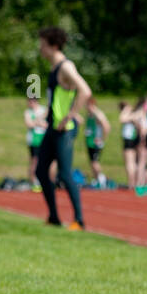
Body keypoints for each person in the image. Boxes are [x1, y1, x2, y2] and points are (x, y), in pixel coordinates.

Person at [36, 27, 91, 229]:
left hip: (64, 129)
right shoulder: (54, 67)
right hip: (52, 127)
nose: (40, 48)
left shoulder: (66, 67)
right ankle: (53, 216)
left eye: (43, 44)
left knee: (65, 174)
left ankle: (79, 219)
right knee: (41, 171)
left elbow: (85, 90)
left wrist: (71, 114)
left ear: (54, 45)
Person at [83, 97, 110, 188]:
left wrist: (102, 138)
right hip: (89, 141)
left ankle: (102, 178)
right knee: (91, 161)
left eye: (87, 105)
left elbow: (106, 126)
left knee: (95, 162)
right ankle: (96, 179)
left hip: (96, 142)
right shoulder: (89, 114)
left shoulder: (98, 114)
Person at [117, 100, 142, 192]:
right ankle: (134, 182)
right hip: (133, 138)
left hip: (130, 139)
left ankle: (132, 183)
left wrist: (126, 110)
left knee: (129, 162)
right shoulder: (135, 114)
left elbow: (121, 119)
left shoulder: (131, 114)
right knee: (133, 162)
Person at [25, 95, 47, 190]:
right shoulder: (28, 112)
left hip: (44, 139)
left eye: (31, 101)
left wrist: (37, 122)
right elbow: (29, 124)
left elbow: (47, 124)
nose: (29, 103)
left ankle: (46, 180)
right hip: (34, 141)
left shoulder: (43, 110)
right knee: (34, 161)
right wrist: (39, 122)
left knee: (46, 162)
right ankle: (34, 182)